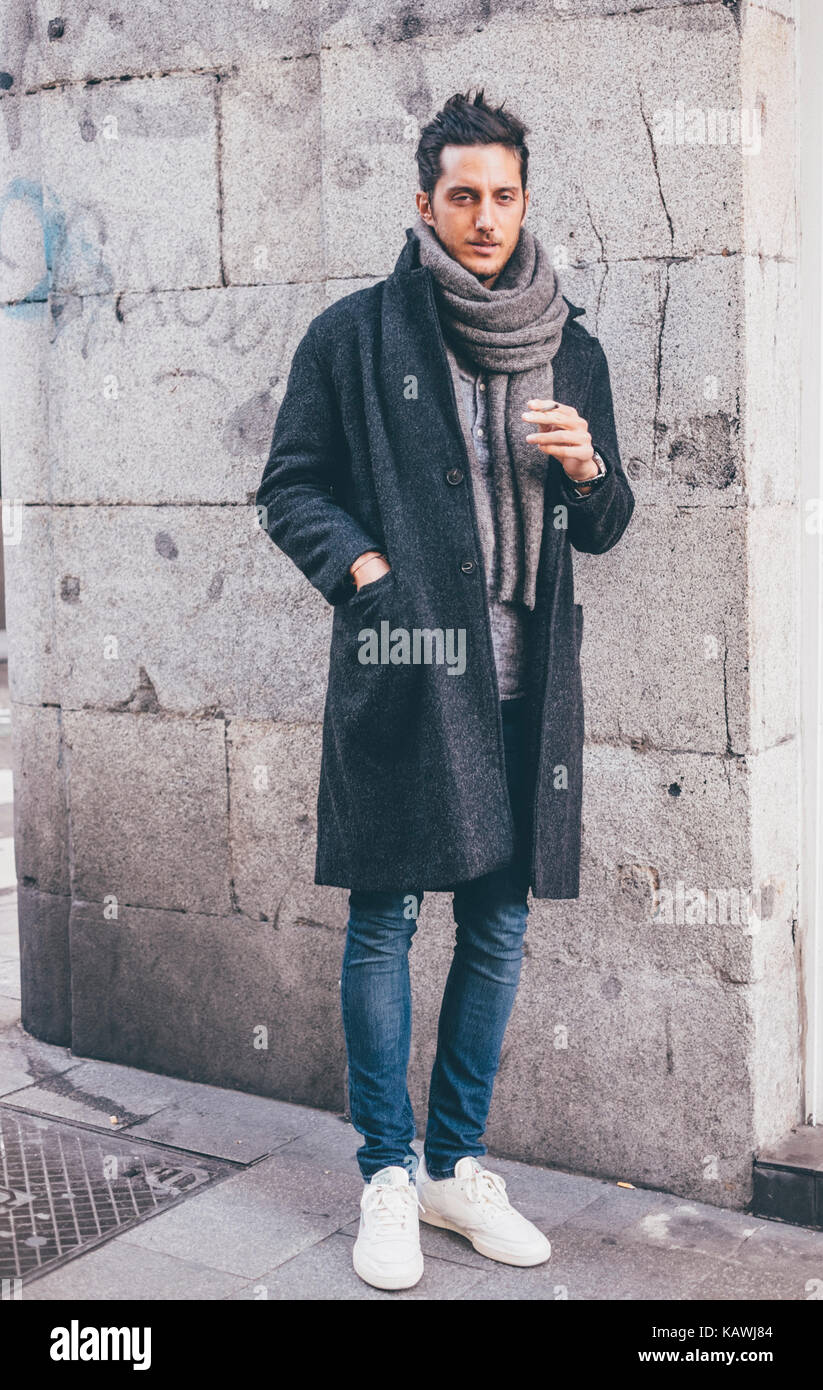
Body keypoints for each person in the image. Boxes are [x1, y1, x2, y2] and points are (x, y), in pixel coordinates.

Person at [255, 88, 635, 1291]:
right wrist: (369, 576)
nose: (483, 217)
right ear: (423, 202)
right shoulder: (356, 337)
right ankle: (384, 1171)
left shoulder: (573, 343)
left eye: (503, 195)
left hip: (526, 689)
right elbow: (291, 487)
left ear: (528, 203)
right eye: (461, 195)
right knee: (383, 918)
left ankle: (453, 1169)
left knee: (500, 922)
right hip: (406, 674)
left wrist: (588, 473)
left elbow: (608, 521)